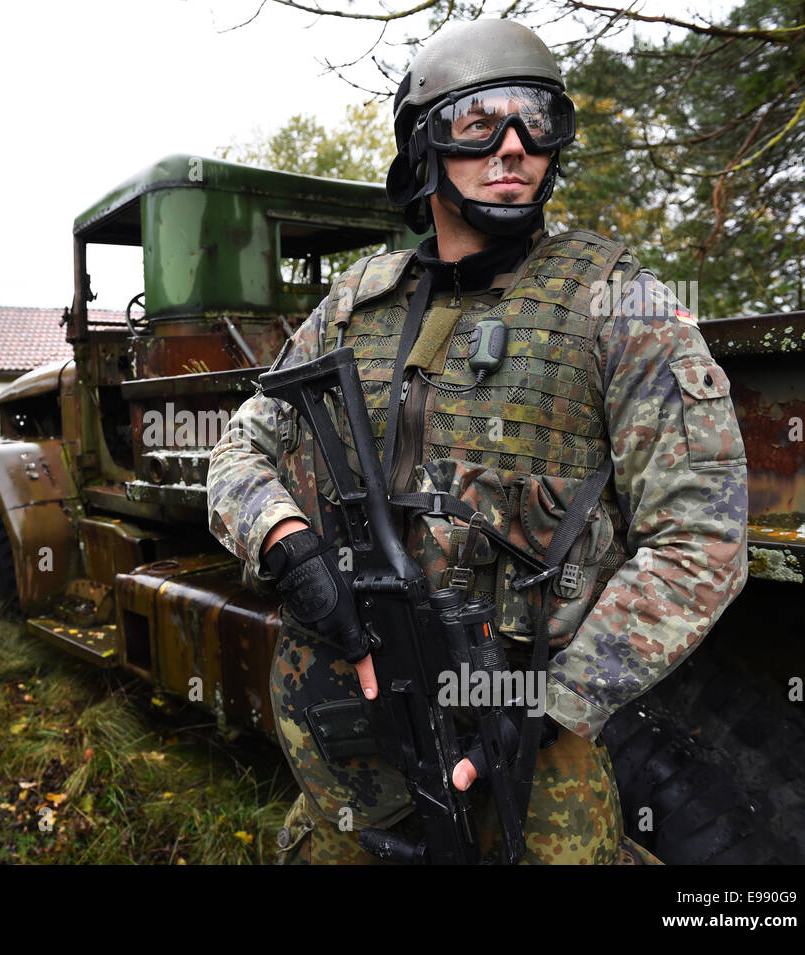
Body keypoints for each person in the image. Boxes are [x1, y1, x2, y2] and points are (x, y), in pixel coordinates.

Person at [207, 18, 748, 864]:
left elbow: (703, 541)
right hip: (352, 716)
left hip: (526, 744)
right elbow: (241, 450)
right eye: (478, 122)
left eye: (538, 121)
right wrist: (285, 542)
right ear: (425, 146)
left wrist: (552, 701)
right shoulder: (355, 304)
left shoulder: (621, 306)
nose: (513, 147)